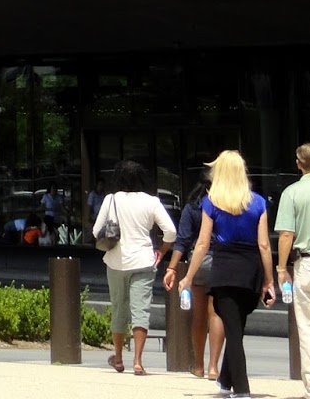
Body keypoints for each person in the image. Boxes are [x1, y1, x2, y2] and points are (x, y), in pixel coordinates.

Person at [179, 150, 275, 398]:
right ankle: (224, 379)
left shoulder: (211, 203)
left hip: (224, 268)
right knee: (236, 326)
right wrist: (269, 280)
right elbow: (264, 245)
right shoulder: (259, 203)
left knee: (234, 329)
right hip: (250, 268)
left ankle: (241, 388)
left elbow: (202, 245)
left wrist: (188, 277)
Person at [93, 160, 175, 377]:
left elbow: (95, 231)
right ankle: (138, 361)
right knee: (141, 310)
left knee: (119, 309)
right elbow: (171, 232)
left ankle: (118, 358)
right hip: (143, 261)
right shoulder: (151, 201)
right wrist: (163, 250)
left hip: (116, 262)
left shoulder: (110, 200)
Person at [163, 179, 225, 380]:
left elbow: (182, 240)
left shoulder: (192, 208)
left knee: (199, 315)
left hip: (200, 262)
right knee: (216, 314)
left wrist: (172, 267)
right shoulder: (227, 205)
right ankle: (213, 367)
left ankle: (198, 365)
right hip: (223, 261)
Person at [275, 141, 310, 396]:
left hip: (306, 263)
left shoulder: (292, 193)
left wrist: (280, 268)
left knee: (307, 327)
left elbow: (286, 234)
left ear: (299, 164)